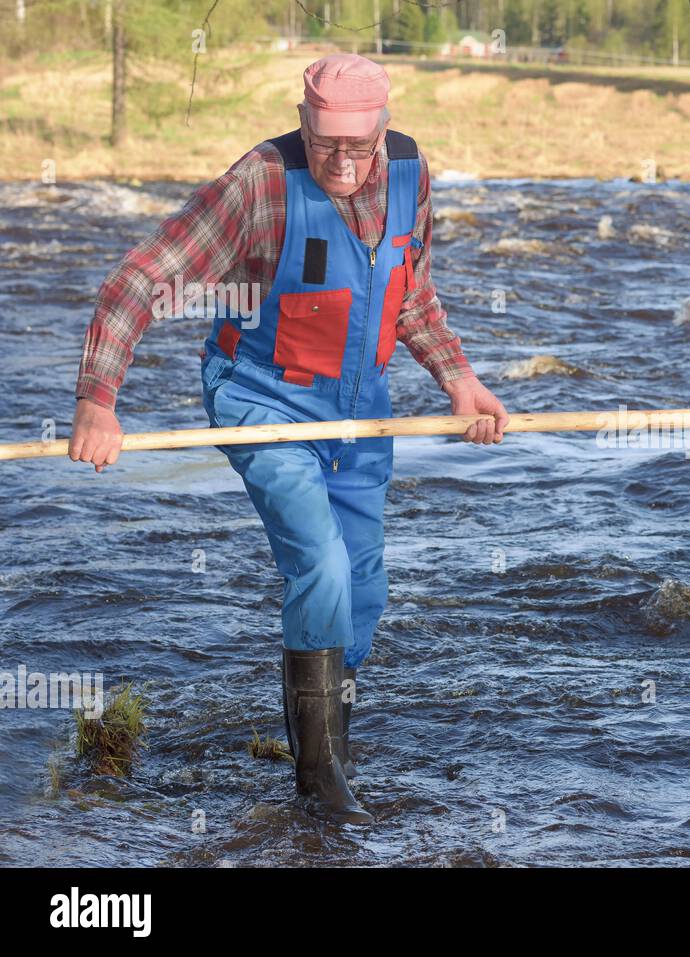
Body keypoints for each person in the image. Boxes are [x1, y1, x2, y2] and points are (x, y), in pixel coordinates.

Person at [68, 54, 509, 825]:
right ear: (302, 121)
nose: (340, 162)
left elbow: (413, 295)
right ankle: (321, 789)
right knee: (324, 568)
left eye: (357, 146)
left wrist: (458, 379)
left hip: (360, 412)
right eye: (324, 143)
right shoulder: (261, 184)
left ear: (384, 127)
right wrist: (97, 402)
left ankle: (324, 743)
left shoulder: (409, 173)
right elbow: (139, 280)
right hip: (262, 401)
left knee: (363, 596)